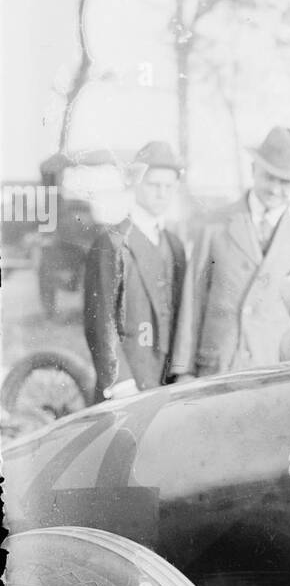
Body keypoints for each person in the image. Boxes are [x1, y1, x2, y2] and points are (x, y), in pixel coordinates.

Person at [171, 127, 290, 377]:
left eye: (285, 181)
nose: (275, 189)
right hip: (220, 367)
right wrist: (182, 369)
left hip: (283, 368)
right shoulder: (214, 226)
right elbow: (193, 299)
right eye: (269, 177)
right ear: (253, 170)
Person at [83, 141, 186, 402]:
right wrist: (121, 383)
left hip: (167, 381)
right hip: (129, 385)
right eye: (153, 184)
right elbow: (101, 322)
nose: (162, 193)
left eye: (169, 186)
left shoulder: (174, 245)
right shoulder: (112, 243)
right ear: (136, 183)